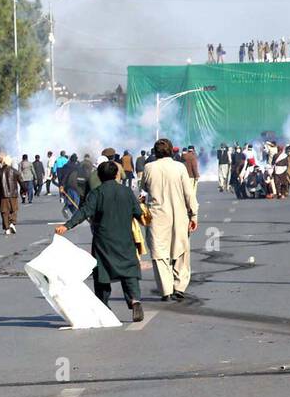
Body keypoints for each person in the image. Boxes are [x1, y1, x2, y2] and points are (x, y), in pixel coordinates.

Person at [55, 160, 145, 322]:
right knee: (129, 270)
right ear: (117, 174)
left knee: (102, 273)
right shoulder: (126, 192)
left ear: (100, 176)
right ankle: (135, 300)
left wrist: (66, 226)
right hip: (125, 239)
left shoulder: (97, 193)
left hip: (103, 240)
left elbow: (84, 212)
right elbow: (139, 213)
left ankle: (103, 305)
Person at [141, 138, 198, 301]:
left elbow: (143, 190)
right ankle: (179, 287)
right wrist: (193, 214)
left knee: (159, 254)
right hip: (179, 215)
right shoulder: (179, 167)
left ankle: (166, 290)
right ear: (171, 151)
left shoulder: (149, 168)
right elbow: (189, 194)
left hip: (157, 216)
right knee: (181, 251)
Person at [0, 155, 23, 235]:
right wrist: (24, 190)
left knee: (4, 212)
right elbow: (21, 182)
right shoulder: (15, 171)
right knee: (14, 209)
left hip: (2, 195)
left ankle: (7, 228)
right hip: (13, 194)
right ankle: (12, 223)